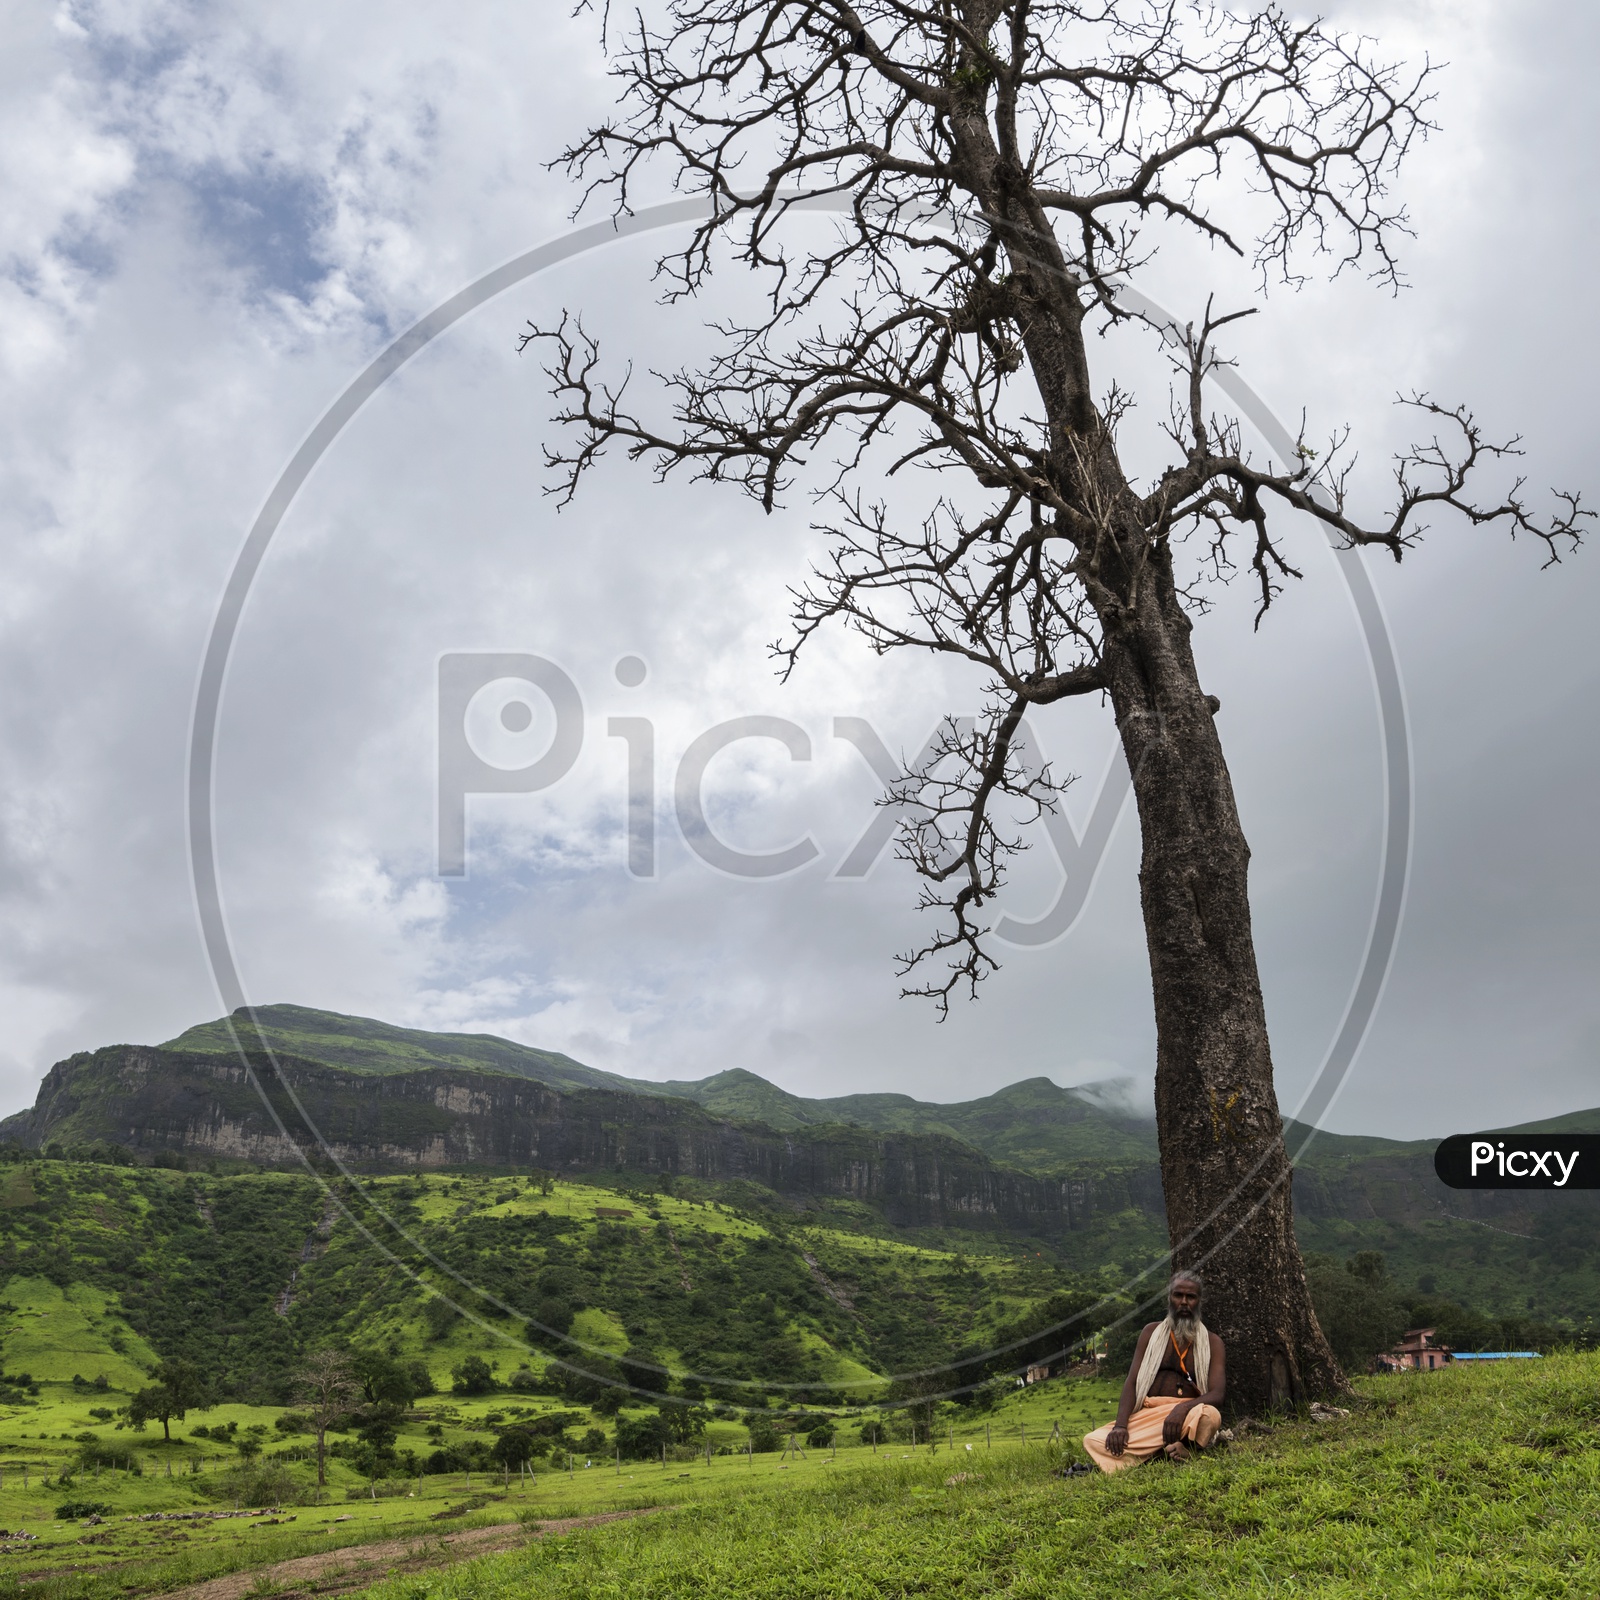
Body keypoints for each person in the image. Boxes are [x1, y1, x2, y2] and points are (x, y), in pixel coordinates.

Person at [1083, 1272, 1225, 1472]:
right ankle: (1164, 1454)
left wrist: (1182, 1409)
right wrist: (1121, 1426)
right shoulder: (1150, 1333)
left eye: (1190, 1297)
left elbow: (1217, 1395)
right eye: (1178, 1295)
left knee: (1210, 1416)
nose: (1184, 1302)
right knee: (1093, 1440)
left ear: (1199, 1301)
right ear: (1169, 1299)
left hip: (1188, 1415)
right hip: (1149, 1415)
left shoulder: (1213, 1342)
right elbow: (1132, 1382)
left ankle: (1177, 1450)